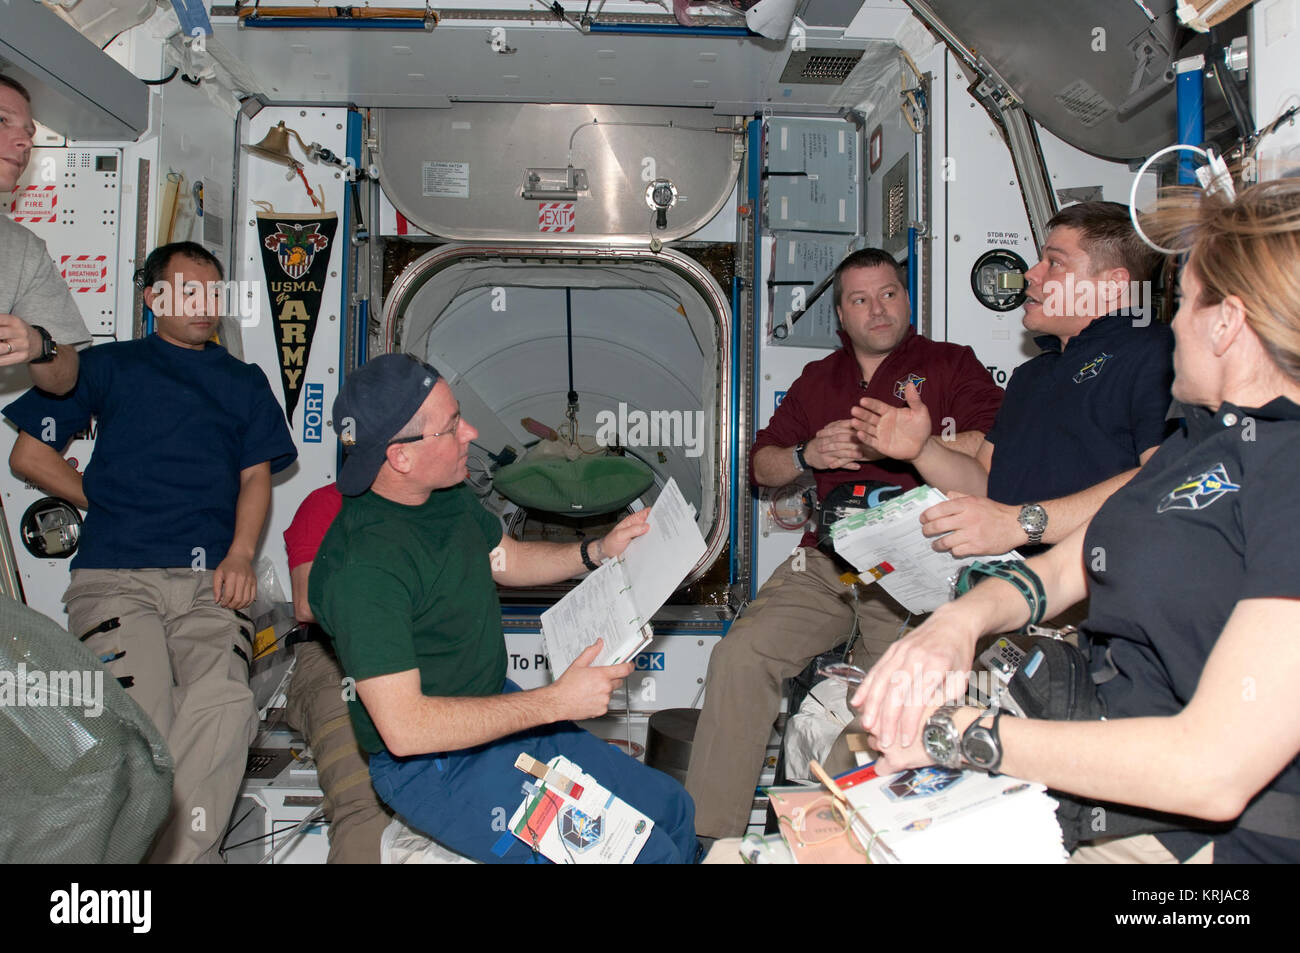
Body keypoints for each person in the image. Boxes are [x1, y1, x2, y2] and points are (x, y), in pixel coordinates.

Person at [854, 178, 1300, 864]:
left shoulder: (1288, 469)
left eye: (1186, 303)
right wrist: (958, 623)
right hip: (1099, 778)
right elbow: (1075, 556)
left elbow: (1211, 771)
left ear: (1229, 321)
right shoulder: (1202, 441)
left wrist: (966, 733)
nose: (1171, 320)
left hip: (1204, 841)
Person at [308, 353, 697, 864]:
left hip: (501, 710)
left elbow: (502, 557)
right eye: (450, 428)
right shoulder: (363, 567)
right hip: (437, 765)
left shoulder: (438, 492)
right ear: (400, 456)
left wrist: (596, 552)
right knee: (643, 855)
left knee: (673, 810)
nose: (470, 432)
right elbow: (405, 729)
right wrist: (556, 702)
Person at [684, 247, 1006, 839]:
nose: (877, 309)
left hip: (915, 562)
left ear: (906, 300)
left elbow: (989, 448)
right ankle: (708, 839)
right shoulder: (817, 379)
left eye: (888, 294)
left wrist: (904, 444)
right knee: (738, 656)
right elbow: (762, 464)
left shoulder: (952, 365)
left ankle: (837, 845)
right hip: (828, 561)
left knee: (873, 701)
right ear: (841, 314)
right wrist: (807, 455)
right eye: (860, 299)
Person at [4, 241, 297, 863]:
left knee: (224, 705)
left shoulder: (243, 382)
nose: (204, 305)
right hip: (115, 580)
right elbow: (28, 456)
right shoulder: (106, 367)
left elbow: (255, 477)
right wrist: (103, 498)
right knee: (144, 720)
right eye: (187, 290)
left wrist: (242, 555)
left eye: (213, 292)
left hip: (211, 585)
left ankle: (176, 861)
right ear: (152, 298)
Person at [855, 202, 1172, 559]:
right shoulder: (1032, 375)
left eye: (1054, 263)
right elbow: (984, 483)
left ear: (1114, 285)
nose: (1030, 275)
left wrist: (1020, 524)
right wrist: (922, 451)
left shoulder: (1157, 352)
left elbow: (1164, 478)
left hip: (1095, 592)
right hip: (1016, 587)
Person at [282, 482, 393, 863]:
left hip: (422, 663)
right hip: (337, 661)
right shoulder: (329, 504)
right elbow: (308, 603)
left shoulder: (448, 511)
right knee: (367, 802)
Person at [0, 74, 91, 395]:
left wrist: (39, 345)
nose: (24, 142)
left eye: (29, 134)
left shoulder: (22, 248)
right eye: (1, 120)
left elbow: (64, 377)